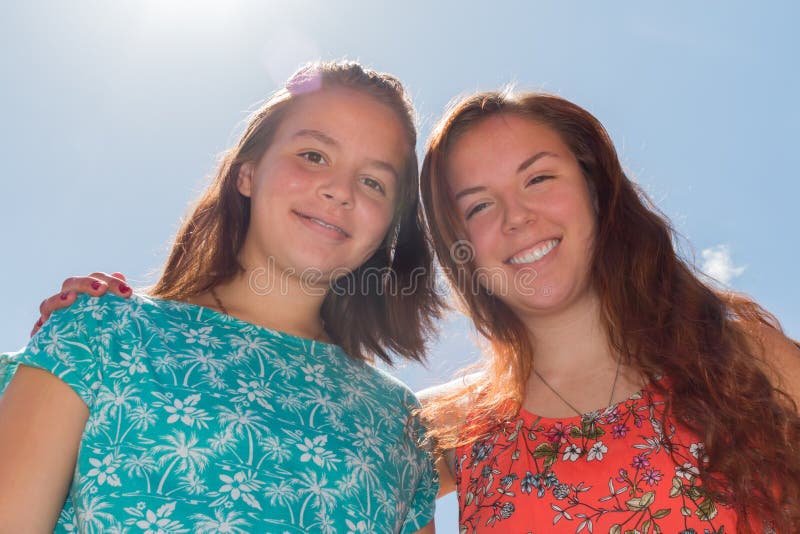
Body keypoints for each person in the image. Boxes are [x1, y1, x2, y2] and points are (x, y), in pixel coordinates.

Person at [0, 61, 442, 533]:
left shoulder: (401, 423)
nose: (339, 190)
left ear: (388, 228)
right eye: (314, 155)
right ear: (246, 173)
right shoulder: (100, 331)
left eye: (373, 182)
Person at [416, 91, 800, 532]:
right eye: (479, 205)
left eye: (538, 178)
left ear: (595, 190)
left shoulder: (744, 358)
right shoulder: (444, 427)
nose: (515, 217)